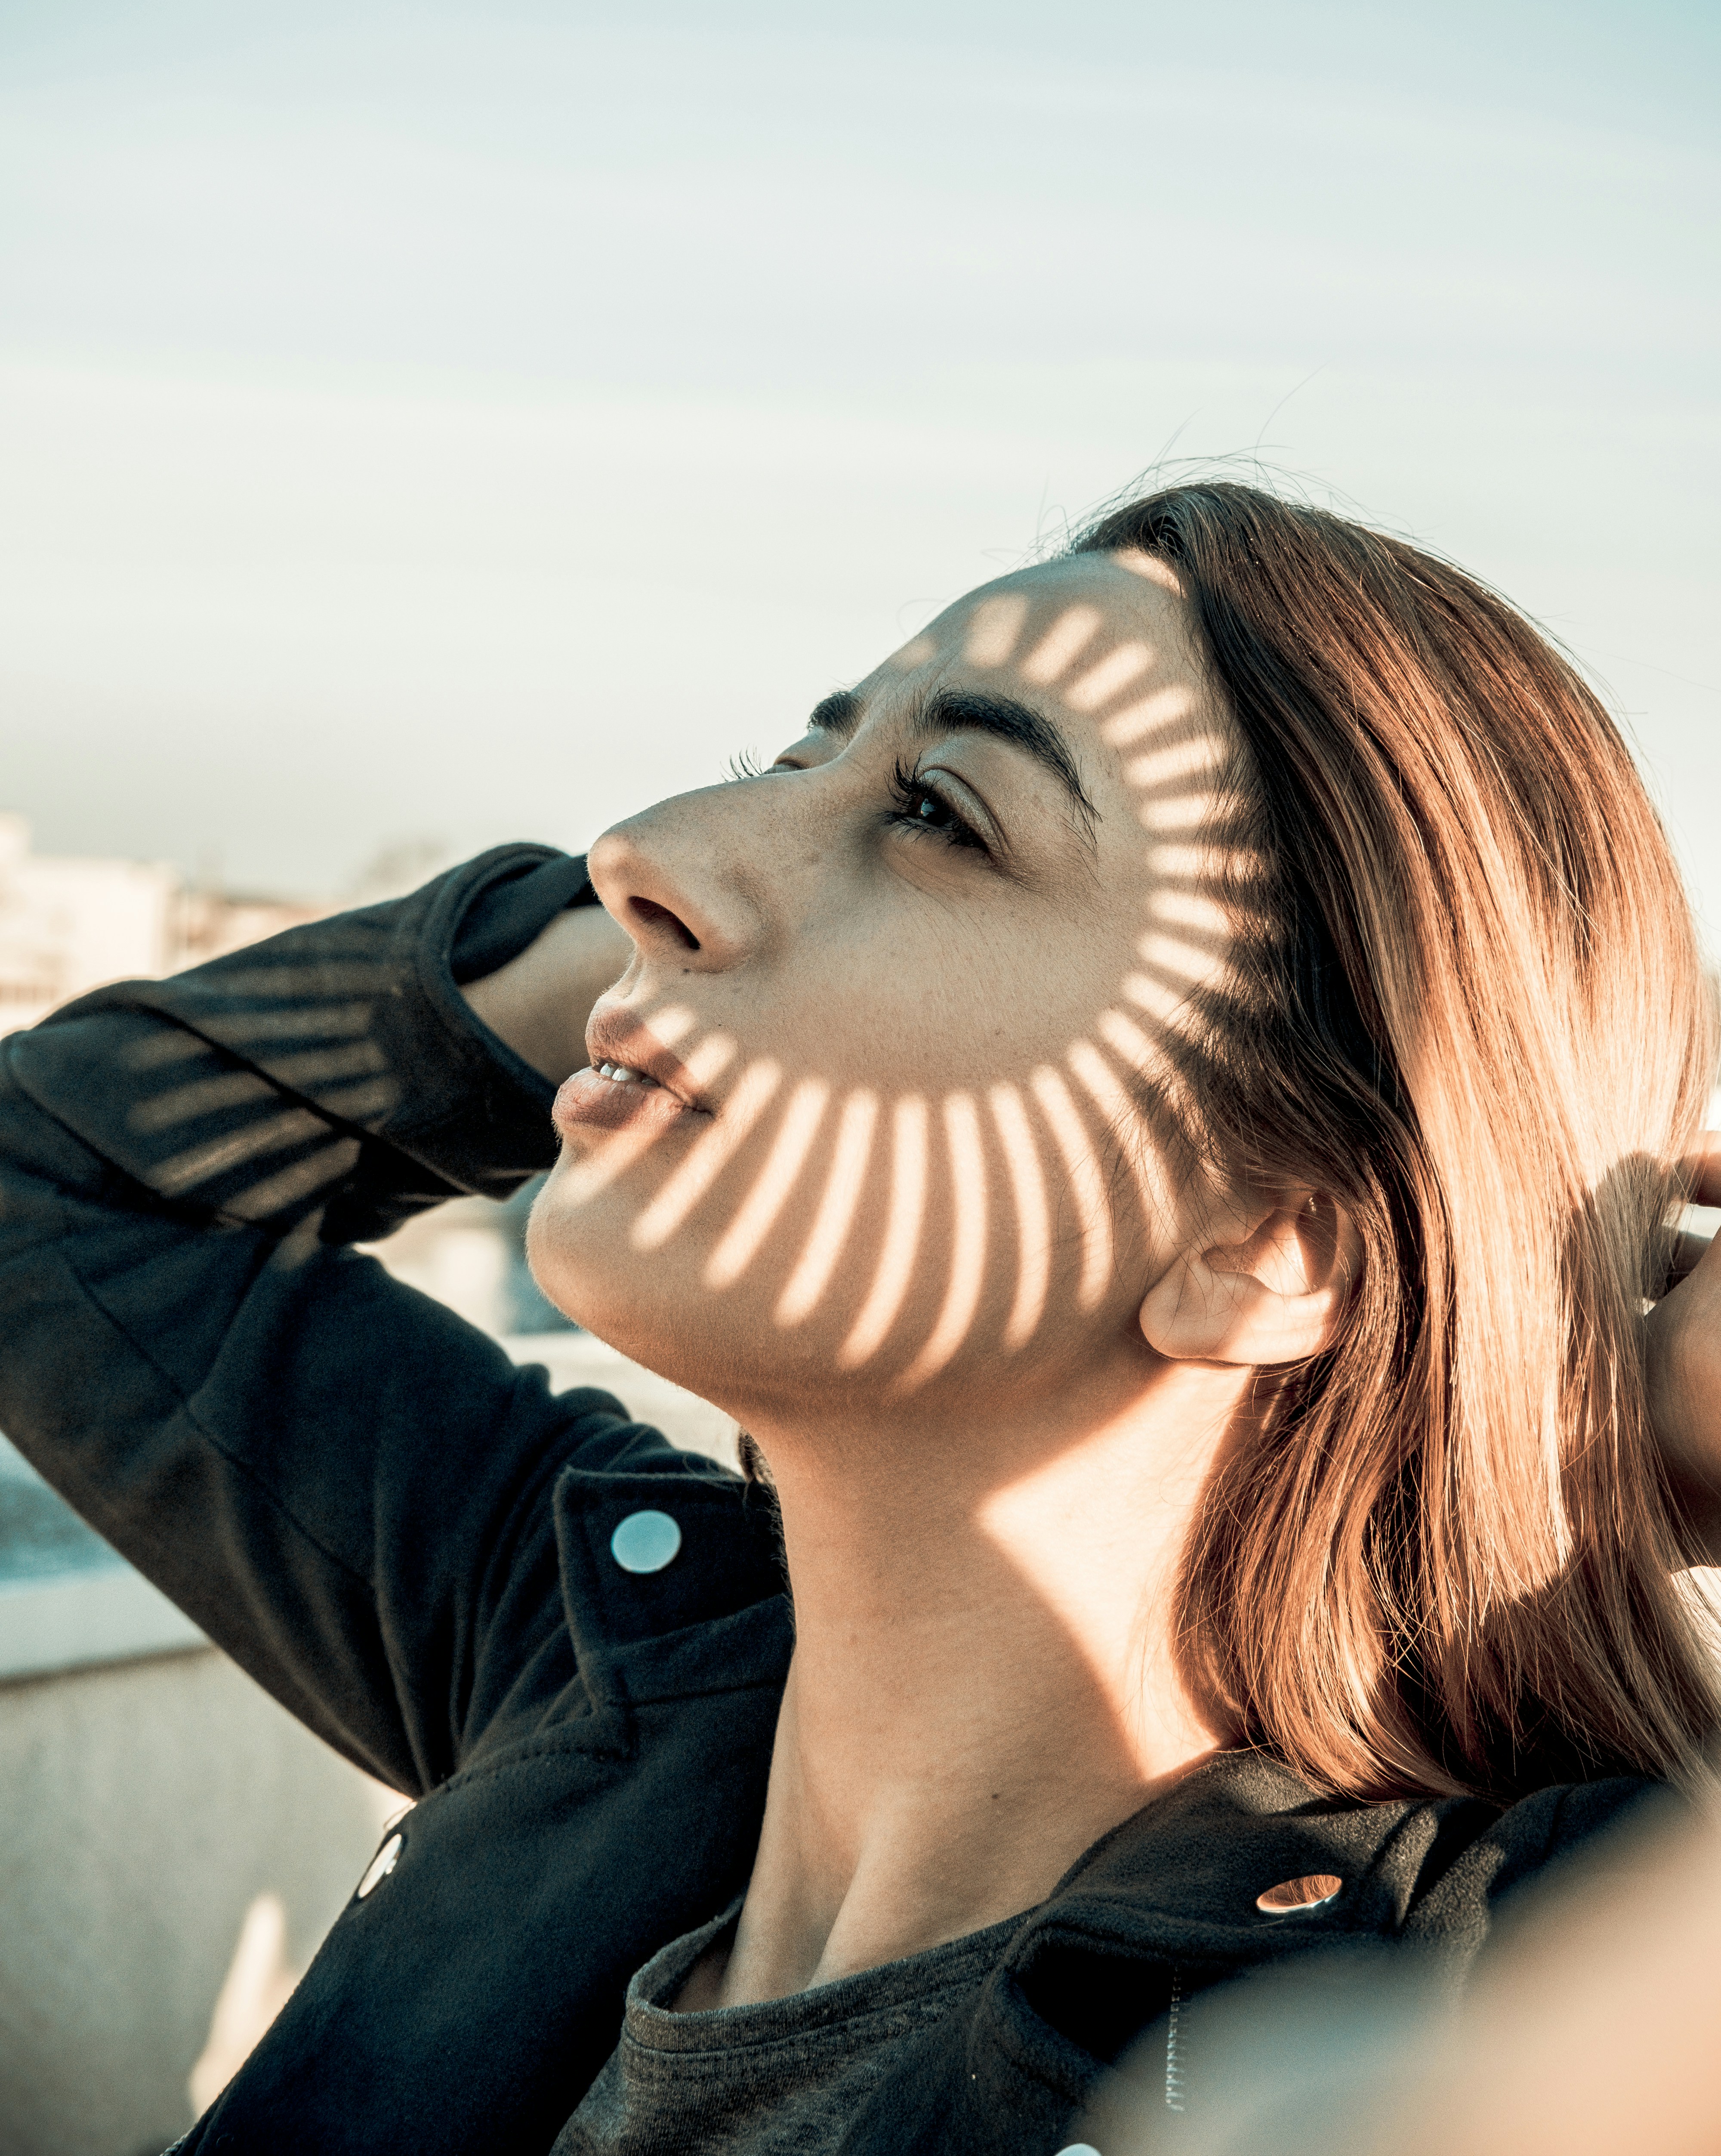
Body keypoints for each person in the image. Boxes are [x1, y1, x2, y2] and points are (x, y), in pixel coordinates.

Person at [1, 480, 1717, 2156]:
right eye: (790, 763)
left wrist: (1558, 1406)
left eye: (944, 816)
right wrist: (653, 972)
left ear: (1275, 1241)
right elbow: (48, 1185)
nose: (641, 847)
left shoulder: (1478, 1980)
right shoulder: (604, 1678)